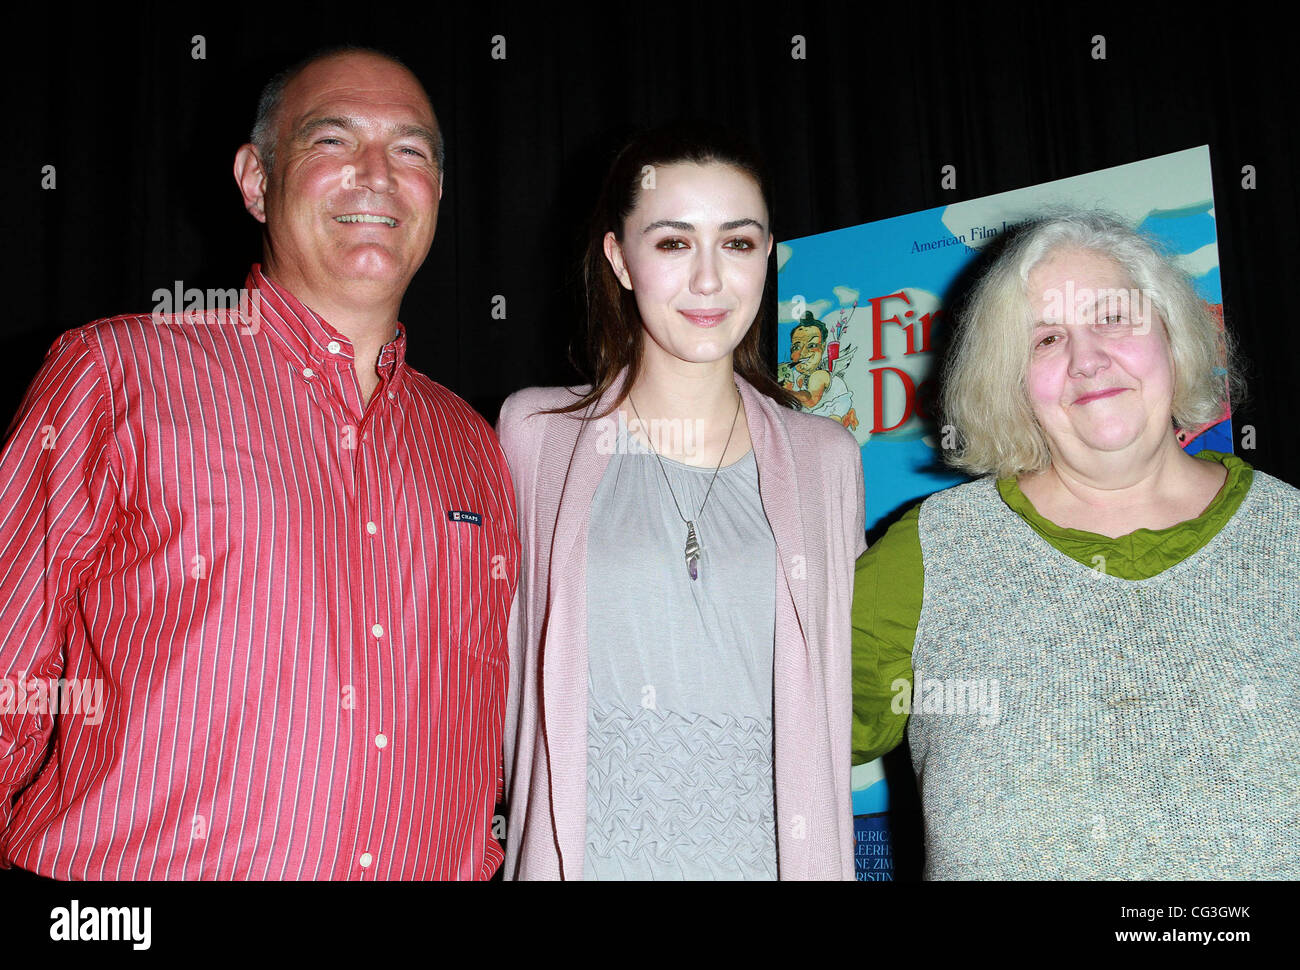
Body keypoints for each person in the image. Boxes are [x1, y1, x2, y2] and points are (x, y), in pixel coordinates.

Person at [0, 47, 518, 880]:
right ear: (255, 179)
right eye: (333, 142)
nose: (376, 175)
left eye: (411, 151)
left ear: (439, 194)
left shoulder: (474, 446)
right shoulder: (116, 375)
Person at [851, 211, 1300, 879]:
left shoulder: (1289, 537)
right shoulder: (929, 555)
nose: (1087, 360)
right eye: (1047, 338)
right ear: (1011, 382)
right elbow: (760, 735)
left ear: (1174, 337)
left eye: (1112, 317)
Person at [497, 123, 865, 880]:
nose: (708, 280)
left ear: (769, 255)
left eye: (736, 243)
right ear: (619, 260)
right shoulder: (534, 436)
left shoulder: (825, 460)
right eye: (672, 244)